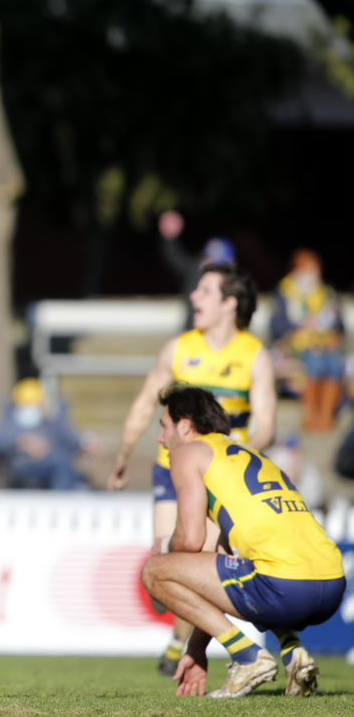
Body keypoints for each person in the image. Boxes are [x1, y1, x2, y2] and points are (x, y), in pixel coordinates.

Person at [107, 262, 278, 677]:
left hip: (222, 477)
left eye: (204, 291)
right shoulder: (179, 349)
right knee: (166, 559)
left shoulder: (254, 356)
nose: (193, 297)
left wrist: (234, 454)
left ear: (230, 303)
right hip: (173, 471)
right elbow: (145, 402)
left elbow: (267, 426)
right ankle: (181, 635)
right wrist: (124, 455)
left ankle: (194, 646)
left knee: (200, 561)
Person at [142, 385, 341, 698]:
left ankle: (249, 658)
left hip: (286, 588)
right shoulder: (249, 456)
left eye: (164, 426)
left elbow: (190, 540)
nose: (160, 438)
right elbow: (219, 581)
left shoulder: (188, 453)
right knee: (248, 573)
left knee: (154, 571)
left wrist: (164, 546)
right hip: (332, 585)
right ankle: (293, 650)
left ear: (185, 426)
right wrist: (197, 649)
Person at [269, 249, 345, 432]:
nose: (311, 275)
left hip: (324, 346)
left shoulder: (327, 293)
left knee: (335, 364)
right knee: (315, 364)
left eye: (314, 270)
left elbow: (339, 326)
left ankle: (326, 417)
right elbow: (277, 327)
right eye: (307, 270)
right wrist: (300, 330)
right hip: (295, 348)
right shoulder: (284, 293)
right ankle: (311, 418)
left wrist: (328, 334)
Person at [0, 377, 94, 490]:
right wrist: (22, 442)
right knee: (61, 466)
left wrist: (84, 442)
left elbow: (68, 438)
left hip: (56, 465)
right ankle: (61, 500)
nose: (30, 410)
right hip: (23, 468)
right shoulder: (10, 421)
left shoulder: (51, 420)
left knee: (72, 473)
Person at [157, 210, 236, 331]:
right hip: (193, 331)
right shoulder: (196, 271)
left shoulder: (236, 284)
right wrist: (169, 238)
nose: (195, 296)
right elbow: (175, 259)